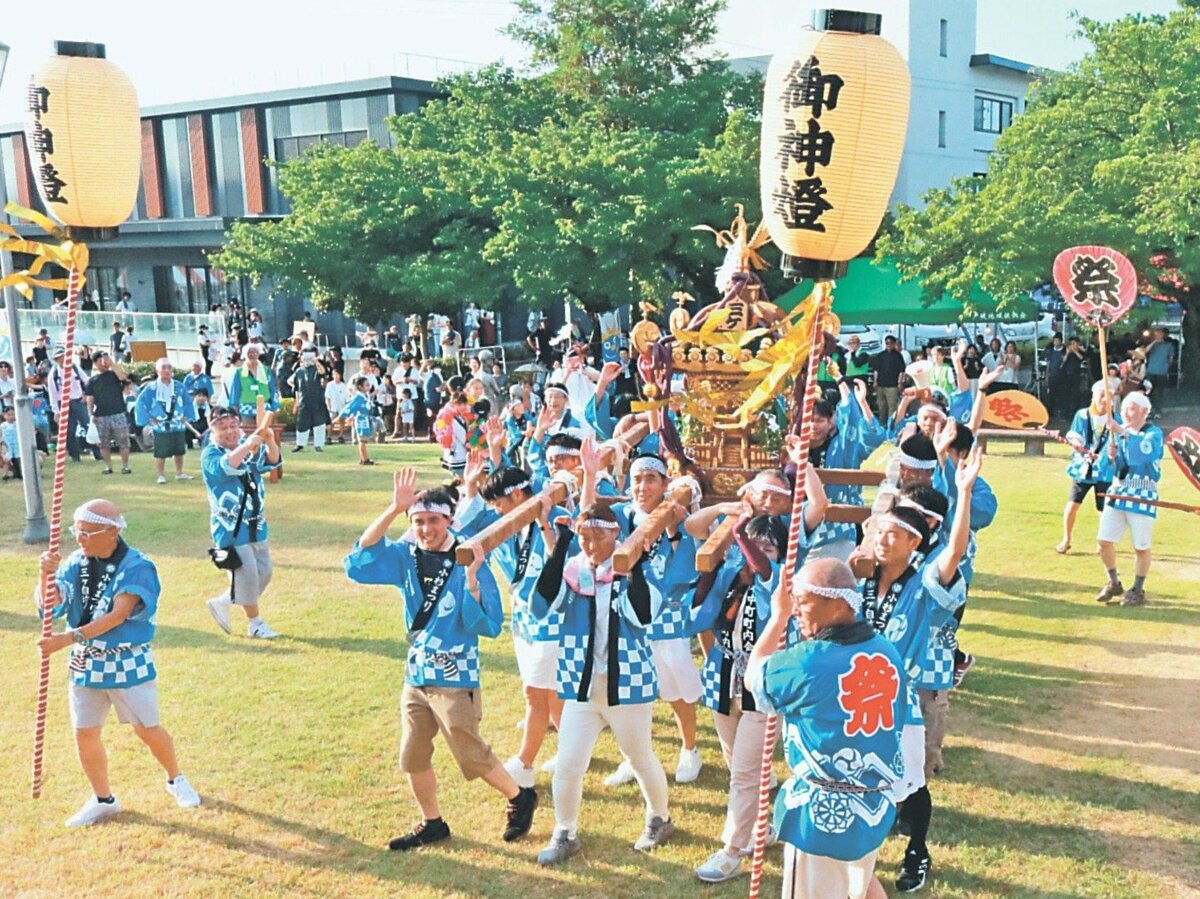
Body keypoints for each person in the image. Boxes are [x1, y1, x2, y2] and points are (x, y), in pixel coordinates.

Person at [344, 471, 539, 850]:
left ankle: (520, 796)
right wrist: (393, 509)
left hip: (454, 671)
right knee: (412, 754)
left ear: (450, 519)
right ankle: (432, 823)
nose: (425, 528)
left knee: (469, 752)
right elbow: (358, 560)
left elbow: (489, 624)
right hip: (416, 672)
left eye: (433, 520)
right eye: (417, 521)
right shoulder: (406, 556)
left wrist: (470, 580)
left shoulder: (470, 553)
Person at [745, 557, 906, 899]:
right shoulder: (887, 653)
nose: (796, 610)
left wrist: (776, 619)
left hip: (821, 816)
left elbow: (755, 677)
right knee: (859, 887)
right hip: (872, 805)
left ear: (836, 606)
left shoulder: (809, 661)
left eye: (802, 602)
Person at [36, 499, 201, 827]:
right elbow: (52, 606)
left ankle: (175, 778)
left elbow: (118, 615)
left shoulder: (138, 566)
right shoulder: (74, 562)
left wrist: (65, 640)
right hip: (84, 663)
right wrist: (45, 576)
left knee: (147, 728)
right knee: (84, 733)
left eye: (87, 532)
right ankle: (103, 799)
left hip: (126, 660)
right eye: (76, 531)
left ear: (112, 532)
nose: (79, 538)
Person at [532, 503, 676, 865]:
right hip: (582, 686)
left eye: (600, 536)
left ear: (617, 534)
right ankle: (565, 831)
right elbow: (542, 602)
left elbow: (644, 614)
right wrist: (563, 544)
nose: (592, 545)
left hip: (627, 685)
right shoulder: (574, 570)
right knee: (568, 763)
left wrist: (635, 564)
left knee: (638, 755)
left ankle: (660, 818)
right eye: (585, 537)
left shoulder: (634, 566)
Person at [201, 406, 282, 639]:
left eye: (233, 426)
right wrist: (247, 445)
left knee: (264, 573)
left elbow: (271, 461)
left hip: (257, 523)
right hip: (230, 528)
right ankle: (255, 623)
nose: (230, 431)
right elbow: (227, 466)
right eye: (223, 427)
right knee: (247, 574)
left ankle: (223, 601)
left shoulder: (249, 444)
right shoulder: (211, 454)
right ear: (212, 429)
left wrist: (269, 441)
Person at [1094, 391, 1163, 607]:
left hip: (1142, 493)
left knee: (1141, 546)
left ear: (1144, 411)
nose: (1126, 413)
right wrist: (1111, 456)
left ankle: (1138, 588)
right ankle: (1113, 581)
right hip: (1117, 492)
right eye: (1124, 409)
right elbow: (1107, 468)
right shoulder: (1119, 435)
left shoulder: (1153, 434)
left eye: (1131, 409)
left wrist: (1122, 433)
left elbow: (1145, 452)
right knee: (1104, 541)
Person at [1058, 382, 1117, 554]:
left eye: (1109, 398)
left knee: (1104, 509)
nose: (1105, 401)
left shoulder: (1114, 419)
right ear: (1093, 396)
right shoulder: (1082, 415)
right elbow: (1074, 435)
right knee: (1073, 504)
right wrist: (1076, 443)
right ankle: (1066, 539)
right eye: (1102, 396)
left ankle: (1103, 542)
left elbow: (1119, 439)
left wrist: (1110, 453)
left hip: (1104, 469)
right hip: (1084, 469)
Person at [135, 359, 195, 485]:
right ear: (158, 370)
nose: (167, 370)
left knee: (179, 449)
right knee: (161, 452)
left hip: (177, 421)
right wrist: (148, 419)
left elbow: (188, 401)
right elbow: (140, 403)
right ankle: (161, 475)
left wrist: (187, 415)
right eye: (163, 368)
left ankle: (179, 473)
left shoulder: (178, 386)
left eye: (169, 367)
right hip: (160, 423)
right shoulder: (151, 388)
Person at [47, 344, 100, 464]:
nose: (62, 359)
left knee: (88, 426)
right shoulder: (53, 374)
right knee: (69, 431)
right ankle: (75, 456)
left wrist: (86, 394)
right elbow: (53, 394)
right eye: (59, 357)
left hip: (78, 401)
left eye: (63, 356)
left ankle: (97, 453)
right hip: (64, 403)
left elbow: (86, 380)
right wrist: (56, 411)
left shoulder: (74, 368)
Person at [84, 350, 132, 475]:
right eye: (100, 360)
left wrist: (111, 363)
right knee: (103, 443)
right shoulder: (92, 380)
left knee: (123, 441)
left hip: (118, 412)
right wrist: (90, 415)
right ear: (95, 363)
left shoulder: (114, 375)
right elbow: (90, 399)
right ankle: (108, 466)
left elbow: (123, 377)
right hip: (100, 415)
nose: (103, 362)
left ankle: (125, 466)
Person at [226, 344, 280, 421]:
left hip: (264, 407)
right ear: (245, 355)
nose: (252, 355)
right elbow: (235, 391)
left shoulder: (267, 370)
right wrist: (234, 407)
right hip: (246, 409)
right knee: (248, 432)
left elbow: (272, 389)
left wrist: (275, 406)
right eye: (249, 352)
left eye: (255, 352)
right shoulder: (239, 372)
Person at [290, 347, 330, 452]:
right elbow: (296, 387)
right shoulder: (299, 371)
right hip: (304, 401)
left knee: (319, 423)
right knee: (302, 423)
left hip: (317, 400)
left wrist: (316, 361)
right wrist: (296, 403)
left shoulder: (317, 369)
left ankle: (319, 444)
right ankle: (300, 444)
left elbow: (323, 372)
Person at [337, 376, 377, 466]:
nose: (368, 387)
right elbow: (351, 407)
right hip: (361, 419)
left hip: (366, 418)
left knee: (364, 440)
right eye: (366, 385)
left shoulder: (365, 396)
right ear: (360, 387)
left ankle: (365, 458)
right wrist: (345, 416)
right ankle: (364, 459)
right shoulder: (358, 397)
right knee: (362, 440)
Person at [870, 335, 906, 424]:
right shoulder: (881, 355)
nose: (888, 345)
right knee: (881, 407)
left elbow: (902, 371)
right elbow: (876, 370)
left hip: (892, 386)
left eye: (890, 343)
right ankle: (882, 424)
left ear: (894, 344)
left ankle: (891, 425)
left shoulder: (898, 356)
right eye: (887, 343)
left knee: (892, 407)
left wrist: (899, 383)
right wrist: (875, 381)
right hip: (881, 385)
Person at [1144, 327, 1174, 406]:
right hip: (1150, 371)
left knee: (1160, 392)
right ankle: (1149, 409)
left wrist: (1166, 367)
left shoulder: (1168, 346)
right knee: (1148, 391)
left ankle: (1158, 410)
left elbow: (1171, 358)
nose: (1158, 335)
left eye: (1160, 333)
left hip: (1162, 372)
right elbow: (1145, 351)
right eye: (1156, 334)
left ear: (1163, 335)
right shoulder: (1152, 345)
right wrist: (1154, 342)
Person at [324, 367, 350, 444]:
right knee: (331, 422)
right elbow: (327, 397)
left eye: (337, 374)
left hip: (341, 406)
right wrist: (329, 406)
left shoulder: (343, 385)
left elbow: (346, 397)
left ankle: (341, 436)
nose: (336, 376)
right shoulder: (330, 385)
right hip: (333, 407)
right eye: (334, 374)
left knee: (342, 421)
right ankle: (329, 437)